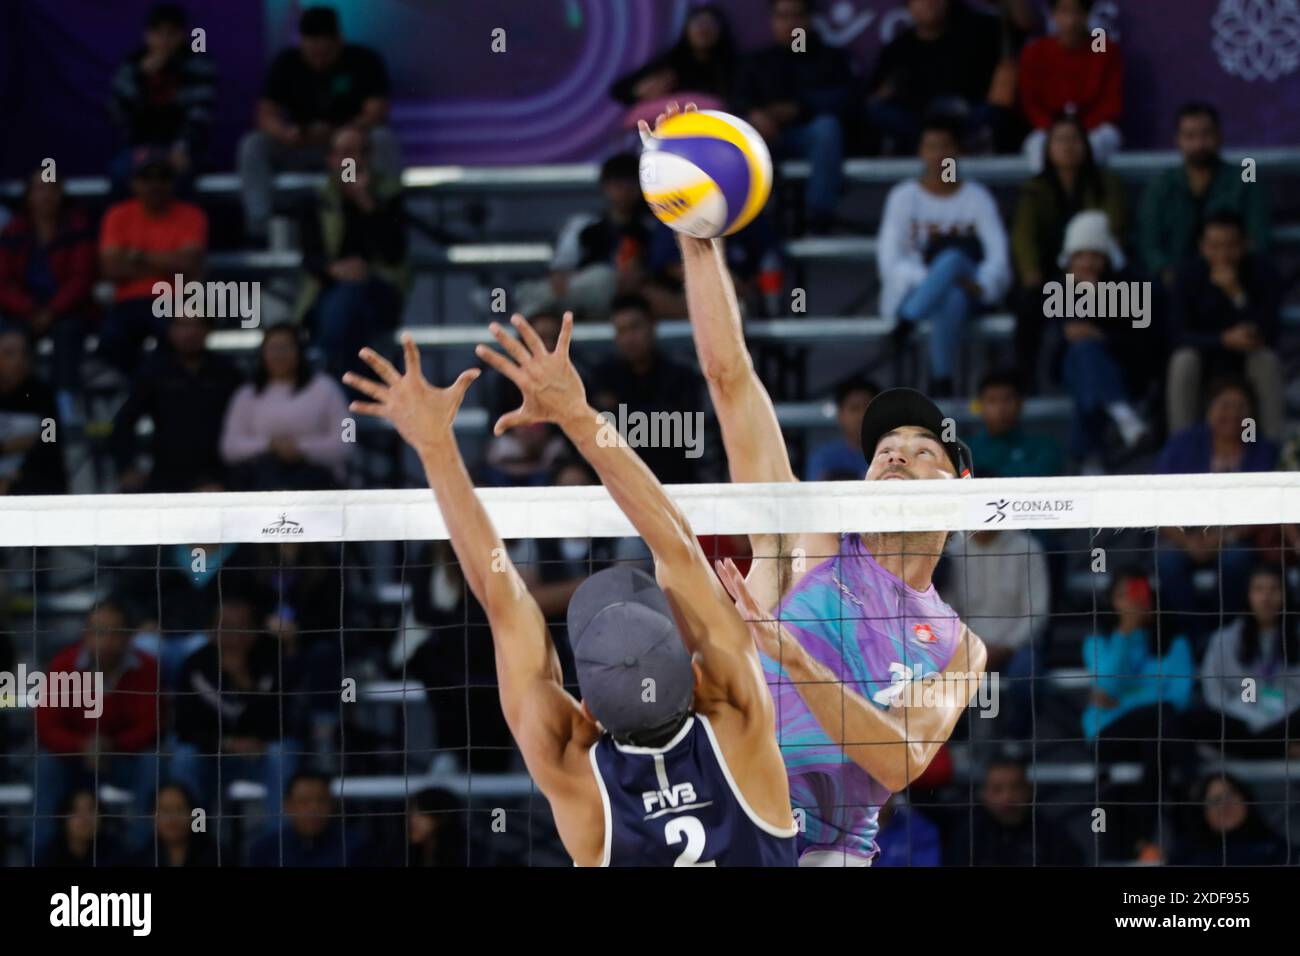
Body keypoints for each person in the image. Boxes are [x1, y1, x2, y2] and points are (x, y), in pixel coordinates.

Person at [343, 319, 798, 866]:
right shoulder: (738, 720)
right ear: (696, 675)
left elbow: (500, 595)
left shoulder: (581, 782)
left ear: (587, 710)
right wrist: (579, 415)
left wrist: (435, 445)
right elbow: (675, 544)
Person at [666, 100, 989, 862]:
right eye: (884, 447)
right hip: (743, 824)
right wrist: (695, 231)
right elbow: (731, 380)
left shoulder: (959, 646)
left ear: (962, 483)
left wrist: (794, 656)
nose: (896, 453)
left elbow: (901, 760)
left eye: (921, 448)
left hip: (836, 850)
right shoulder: (809, 539)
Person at [238, 5, 400, 241]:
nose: (319, 61)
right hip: (301, 147)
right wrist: (284, 132)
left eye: (325, 54)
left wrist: (351, 131)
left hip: (348, 153)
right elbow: (266, 113)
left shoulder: (363, 60)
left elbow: (377, 111)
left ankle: (383, 210)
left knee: (381, 139)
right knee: (253, 144)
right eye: (312, 54)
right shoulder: (287, 62)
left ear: (339, 41)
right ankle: (259, 225)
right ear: (302, 42)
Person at [878, 114, 1010, 396]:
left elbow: (997, 256)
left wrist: (980, 285)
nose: (939, 155)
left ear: (958, 151)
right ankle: (942, 379)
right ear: (921, 152)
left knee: (952, 259)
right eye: (932, 147)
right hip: (924, 291)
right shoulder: (903, 196)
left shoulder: (977, 196)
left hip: (970, 286)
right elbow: (890, 262)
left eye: (946, 146)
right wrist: (939, 280)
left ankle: (907, 323)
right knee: (950, 292)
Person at [33, 601, 160, 856]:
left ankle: (141, 854)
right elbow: (46, 726)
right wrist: (82, 746)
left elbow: (152, 724)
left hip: (123, 757)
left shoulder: (145, 667)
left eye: (116, 632)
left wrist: (113, 746)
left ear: (129, 636)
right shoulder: (63, 664)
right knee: (45, 765)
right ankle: (41, 855)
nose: (107, 640)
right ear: (85, 634)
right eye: (99, 631)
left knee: (153, 764)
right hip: (73, 758)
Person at [1010, 112, 1127, 383]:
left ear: (1086, 145)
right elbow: (1023, 237)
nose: (1068, 146)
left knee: (1123, 299)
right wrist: (1030, 270)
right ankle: (1026, 380)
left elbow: (1113, 229)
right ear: (1048, 148)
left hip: (1097, 271)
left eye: (1075, 139)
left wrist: (1092, 266)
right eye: (1060, 140)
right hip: (1049, 276)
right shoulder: (1035, 189)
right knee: (1030, 301)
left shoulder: (1107, 183)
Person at [171, 597, 298, 841]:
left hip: (260, 757)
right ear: (210, 633)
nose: (236, 637)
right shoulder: (195, 665)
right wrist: (226, 744)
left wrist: (245, 682)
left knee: (283, 753)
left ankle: (281, 847)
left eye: (244, 627)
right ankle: (194, 847)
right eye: (226, 627)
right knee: (183, 758)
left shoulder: (273, 659)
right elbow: (185, 728)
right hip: (213, 757)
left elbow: (288, 722)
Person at [731, 0, 855, 232]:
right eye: (783, 16)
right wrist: (755, 115)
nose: (791, 23)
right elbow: (736, 101)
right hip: (764, 139)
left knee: (826, 127)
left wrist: (799, 109)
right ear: (773, 21)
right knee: (743, 132)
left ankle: (818, 215)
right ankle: (757, 221)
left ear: (809, 20)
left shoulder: (830, 58)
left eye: (797, 16)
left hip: (808, 136)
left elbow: (847, 101)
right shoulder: (756, 61)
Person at [297, 125, 408, 381]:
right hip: (331, 291)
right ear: (332, 159)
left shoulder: (388, 197)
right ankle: (352, 382)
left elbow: (395, 253)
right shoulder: (317, 200)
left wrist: (366, 203)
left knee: (348, 304)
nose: (353, 159)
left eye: (360, 152)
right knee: (345, 303)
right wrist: (335, 269)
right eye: (346, 152)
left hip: (381, 291)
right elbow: (310, 258)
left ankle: (335, 385)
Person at [1167, 210, 1283, 441]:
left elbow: (1269, 330)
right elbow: (1175, 334)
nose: (1223, 254)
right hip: (1204, 362)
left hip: (1245, 363)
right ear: (1202, 246)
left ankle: (1273, 451)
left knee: (1266, 359)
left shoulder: (1263, 271)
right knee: (1183, 360)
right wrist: (1222, 339)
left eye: (1231, 245)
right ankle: (1181, 446)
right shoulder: (1188, 274)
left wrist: (1236, 293)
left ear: (1245, 244)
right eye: (1214, 246)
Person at [1051, 211, 1150, 472]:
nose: (1088, 263)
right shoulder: (1053, 290)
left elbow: (1136, 345)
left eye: (1095, 256)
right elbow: (1052, 349)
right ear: (1069, 259)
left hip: (1116, 372)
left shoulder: (1125, 289)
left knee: (1089, 376)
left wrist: (1097, 327)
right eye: (1081, 256)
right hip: (1066, 372)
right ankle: (1123, 416)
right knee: (1083, 354)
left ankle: (1087, 458)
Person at [97, 152, 207, 377]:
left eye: (163, 177)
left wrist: (136, 256)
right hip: (128, 301)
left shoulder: (192, 215)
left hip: (174, 299)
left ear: (173, 183)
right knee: (109, 341)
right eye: (147, 178)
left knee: (178, 340)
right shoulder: (117, 215)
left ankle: (149, 389)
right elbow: (111, 268)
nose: (155, 185)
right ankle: (147, 386)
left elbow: (188, 262)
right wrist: (168, 261)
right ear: (133, 183)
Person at [1139, 103, 1270, 288]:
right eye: (1190, 136)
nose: (1199, 144)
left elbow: (1259, 239)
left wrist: (1232, 269)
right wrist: (1167, 272)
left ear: (1219, 136)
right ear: (1178, 140)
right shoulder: (1160, 186)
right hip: (1175, 284)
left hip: (1235, 277)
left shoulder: (1245, 180)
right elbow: (1149, 246)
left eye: (1206, 134)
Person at [110, 312, 244, 493]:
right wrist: (126, 468)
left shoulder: (227, 372)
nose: (190, 333)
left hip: (220, 472)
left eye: (196, 325)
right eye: (183, 325)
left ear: (208, 330)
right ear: (171, 331)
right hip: (167, 473)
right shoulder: (155, 373)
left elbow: (251, 422)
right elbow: (124, 422)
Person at [512, 153, 654, 321]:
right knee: (600, 279)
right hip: (580, 295)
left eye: (630, 185)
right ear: (605, 187)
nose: (624, 192)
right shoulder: (583, 226)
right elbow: (559, 273)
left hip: (630, 303)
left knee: (607, 279)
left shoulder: (651, 228)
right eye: (617, 185)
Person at [0, 170, 97, 414]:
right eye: (40, 189)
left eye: (52, 188)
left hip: (67, 310)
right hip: (23, 310)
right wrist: (30, 310)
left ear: (61, 193)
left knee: (67, 335)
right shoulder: (14, 230)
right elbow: (3, 281)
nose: (46, 196)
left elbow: (81, 278)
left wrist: (51, 311)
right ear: (29, 195)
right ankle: (15, 407)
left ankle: (64, 411)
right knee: (11, 341)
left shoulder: (77, 228)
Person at [586, 293, 709, 485]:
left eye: (635, 328)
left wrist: (622, 414)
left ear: (652, 326)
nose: (628, 338)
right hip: (620, 476)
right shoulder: (603, 375)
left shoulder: (681, 374)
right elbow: (601, 434)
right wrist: (659, 418)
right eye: (621, 331)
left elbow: (687, 434)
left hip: (676, 474)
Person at [943, 527, 1049, 737]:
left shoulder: (1027, 547)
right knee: (932, 676)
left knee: (1027, 675)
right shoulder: (952, 551)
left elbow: (1037, 613)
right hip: (965, 649)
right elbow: (946, 614)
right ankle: (955, 747)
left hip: (1015, 648)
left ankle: (1016, 744)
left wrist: (1006, 647)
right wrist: (972, 650)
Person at [865, 0, 1007, 155]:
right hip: (916, 127)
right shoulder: (897, 49)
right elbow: (874, 101)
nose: (929, 3)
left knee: (991, 111)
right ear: (909, 6)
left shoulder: (978, 33)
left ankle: (948, 168)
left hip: (967, 121)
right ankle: (934, 156)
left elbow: (1018, 36)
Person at [220, 323, 350, 490]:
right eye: (273, 348)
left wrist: (301, 449)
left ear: (300, 351)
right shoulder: (245, 395)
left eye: (286, 348)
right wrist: (270, 446)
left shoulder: (329, 389)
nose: (278, 355)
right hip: (260, 480)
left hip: (316, 480)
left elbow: (348, 441)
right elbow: (229, 447)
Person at [107, 3, 216, 194]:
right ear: (147, 35)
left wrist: (182, 147)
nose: (164, 40)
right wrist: (141, 79)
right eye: (158, 33)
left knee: (181, 175)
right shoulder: (132, 67)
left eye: (171, 34)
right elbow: (118, 114)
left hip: (184, 149)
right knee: (118, 173)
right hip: (139, 148)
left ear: (182, 35)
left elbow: (199, 117)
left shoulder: (199, 67)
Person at [1196, 565, 1300, 759]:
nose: (1266, 598)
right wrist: (1252, 715)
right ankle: (1281, 749)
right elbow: (1215, 694)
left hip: (1288, 720)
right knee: (1197, 718)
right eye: (1259, 590)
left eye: (1274, 590)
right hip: (1240, 720)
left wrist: (1278, 715)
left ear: (1286, 595)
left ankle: (1264, 748)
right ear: (1248, 596)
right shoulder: (1223, 640)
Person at [1017, 0, 1122, 172]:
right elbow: (1030, 104)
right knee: (1036, 145)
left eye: (1077, 12)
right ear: (1052, 16)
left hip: (1092, 129)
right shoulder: (1035, 51)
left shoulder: (1102, 47)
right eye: (1064, 12)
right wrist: (1058, 131)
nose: (1071, 21)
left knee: (1103, 139)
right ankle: (1049, 197)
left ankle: (1087, 196)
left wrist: (1079, 132)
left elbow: (1111, 103)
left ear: (1087, 16)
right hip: (1050, 130)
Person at [610, 4, 737, 125]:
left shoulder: (733, 68)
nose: (703, 28)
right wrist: (638, 91)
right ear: (686, 29)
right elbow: (619, 90)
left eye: (710, 24)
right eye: (698, 23)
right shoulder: (669, 64)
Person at [946, 757, 1082, 865]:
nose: (1008, 796)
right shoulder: (969, 836)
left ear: (1029, 790)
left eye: (1016, 787)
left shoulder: (1052, 836)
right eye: (997, 789)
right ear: (984, 794)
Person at [0, 322, 67, 496]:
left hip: (32, 482)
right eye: (9, 354)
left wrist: (14, 478)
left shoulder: (43, 395)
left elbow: (50, 439)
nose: (18, 361)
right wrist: (7, 446)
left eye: (24, 354)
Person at [1170, 773, 1293, 866]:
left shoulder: (1275, 848)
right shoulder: (1186, 853)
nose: (1225, 805)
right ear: (1203, 812)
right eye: (1215, 801)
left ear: (1245, 800)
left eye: (1230, 796)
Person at [249, 771, 368, 867]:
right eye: (304, 802)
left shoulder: (356, 848)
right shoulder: (266, 850)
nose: (313, 808)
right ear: (287, 805)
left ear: (332, 804)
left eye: (321, 801)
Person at [965, 370, 1065, 478]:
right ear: (980, 405)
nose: (1000, 409)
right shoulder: (965, 449)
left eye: (1007, 400)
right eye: (992, 400)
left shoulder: (1045, 447)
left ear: (1020, 404)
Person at [127, 782, 219, 867]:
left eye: (180, 809)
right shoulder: (137, 861)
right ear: (152, 816)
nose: (173, 817)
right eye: (165, 810)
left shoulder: (218, 857)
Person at [804, 376, 878, 480]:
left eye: (867, 406)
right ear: (840, 414)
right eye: (854, 408)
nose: (861, 415)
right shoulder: (823, 458)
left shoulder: (892, 456)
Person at [36, 789, 124, 867]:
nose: (84, 818)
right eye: (75, 810)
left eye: (91, 809)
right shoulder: (47, 858)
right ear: (63, 818)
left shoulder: (120, 856)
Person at [405, 788, 468, 867]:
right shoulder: (406, 856)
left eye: (422, 813)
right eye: (411, 812)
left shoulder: (467, 857)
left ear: (442, 819)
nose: (412, 820)